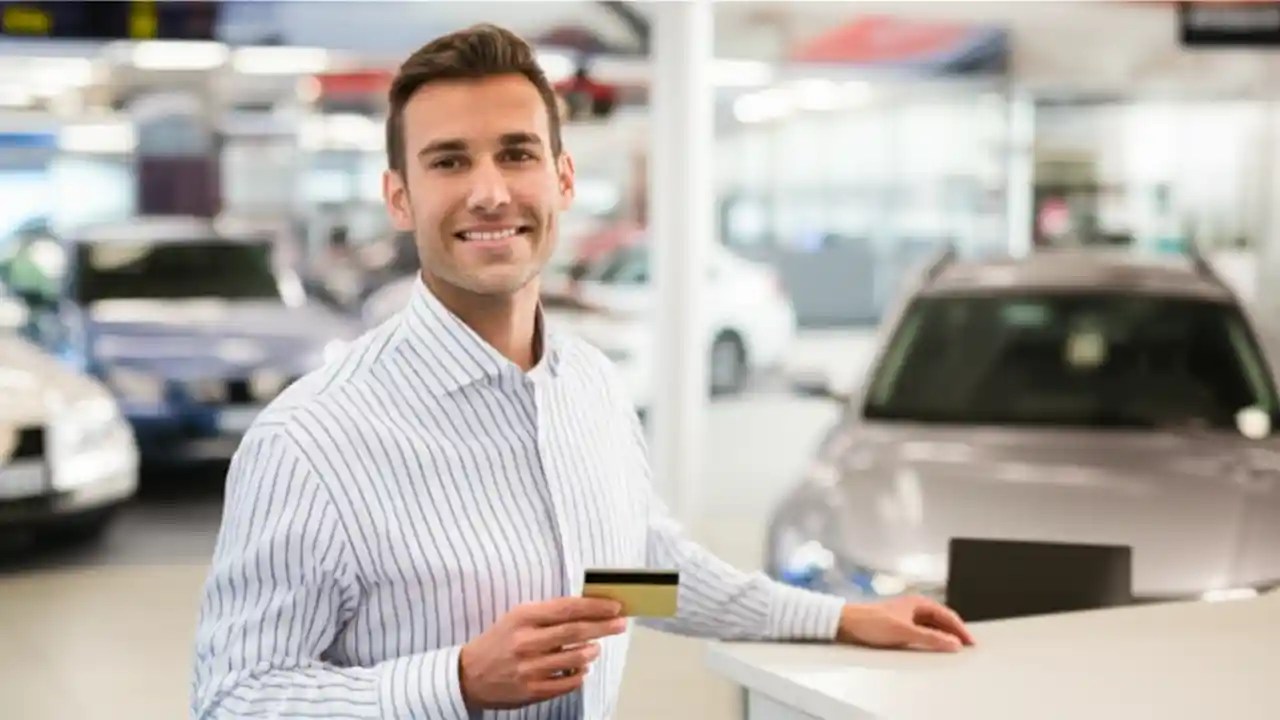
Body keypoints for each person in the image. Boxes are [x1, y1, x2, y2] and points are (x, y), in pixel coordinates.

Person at [190, 23, 974, 719]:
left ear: (562, 179)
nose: (490, 192)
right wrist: (456, 680)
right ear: (400, 197)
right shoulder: (310, 440)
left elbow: (632, 576)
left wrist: (834, 618)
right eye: (449, 161)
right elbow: (235, 698)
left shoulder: (590, 388)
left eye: (517, 153)